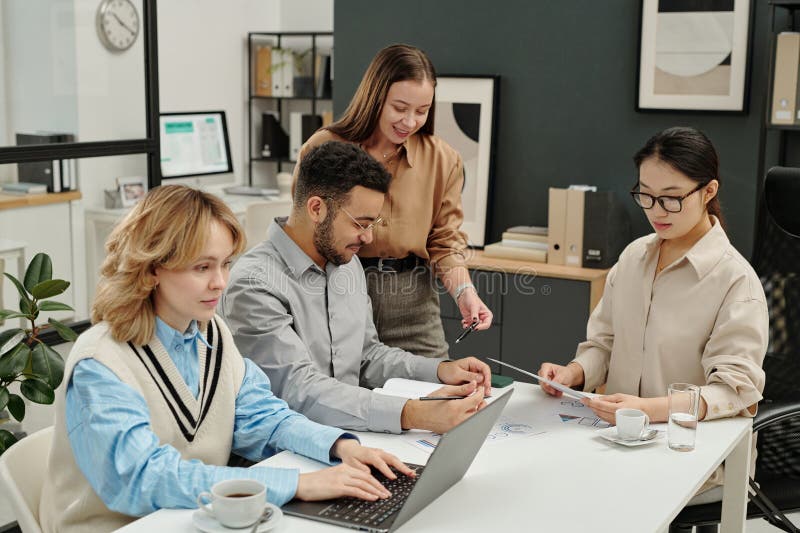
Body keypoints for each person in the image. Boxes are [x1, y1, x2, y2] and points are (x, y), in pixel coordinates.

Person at [39, 185, 415, 533]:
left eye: (225, 264)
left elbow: (262, 418)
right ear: (152, 268)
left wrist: (341, 447)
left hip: (193, 518)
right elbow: (145, 478)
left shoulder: (211, 332)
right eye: (202, 267)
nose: (220, 281)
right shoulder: (101, 363)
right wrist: (299, 484)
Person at [537, 126, 768, 502]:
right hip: (619, 440)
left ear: (708, 192)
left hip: (694, 454)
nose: (656, 211)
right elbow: (604, 344)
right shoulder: (633, 258)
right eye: (646, 196)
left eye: (672, 199)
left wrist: (648, 410)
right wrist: (574, 373)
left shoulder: (735, 281)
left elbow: (735, 392)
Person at [222, 141, 491, 435]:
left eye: (373, 223)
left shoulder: (346, 264)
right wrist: (413, 414)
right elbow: (296, 390)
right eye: (360, 223)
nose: (368, 237)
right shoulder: (253, 283)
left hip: (351, 436)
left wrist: (440, 371)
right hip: (287, 451)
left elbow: (366, 356)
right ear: (316, 208)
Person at [292, 43, 492, 358]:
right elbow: (301, 231)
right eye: (400, 108)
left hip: (414, 306)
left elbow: (445, 242)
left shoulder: (443, 160)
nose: (410, 122)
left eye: (422, 111)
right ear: (375, 97)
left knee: (436, 396)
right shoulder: (323, 147)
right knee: (342, 400)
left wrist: (465, 293)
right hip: (338, 295)